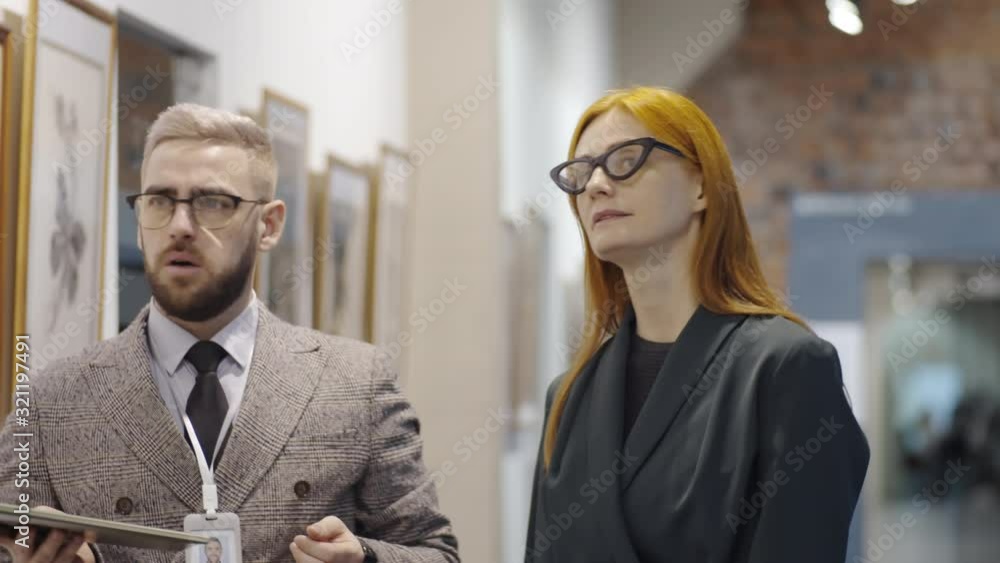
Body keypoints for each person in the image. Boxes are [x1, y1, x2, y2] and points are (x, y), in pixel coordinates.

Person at [0, 104, 458, 562]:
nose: (180, 227)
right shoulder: (47, 402)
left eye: (212, 203)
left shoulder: (357, 385)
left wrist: (364, 557)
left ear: (269, 225)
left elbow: (436, 553)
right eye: (159, 200)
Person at [524, 87, 870, 563]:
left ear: (701, 186)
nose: (596, 185)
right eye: (581, 173)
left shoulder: (784, 369)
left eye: (626, 159)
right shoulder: (569, 395)